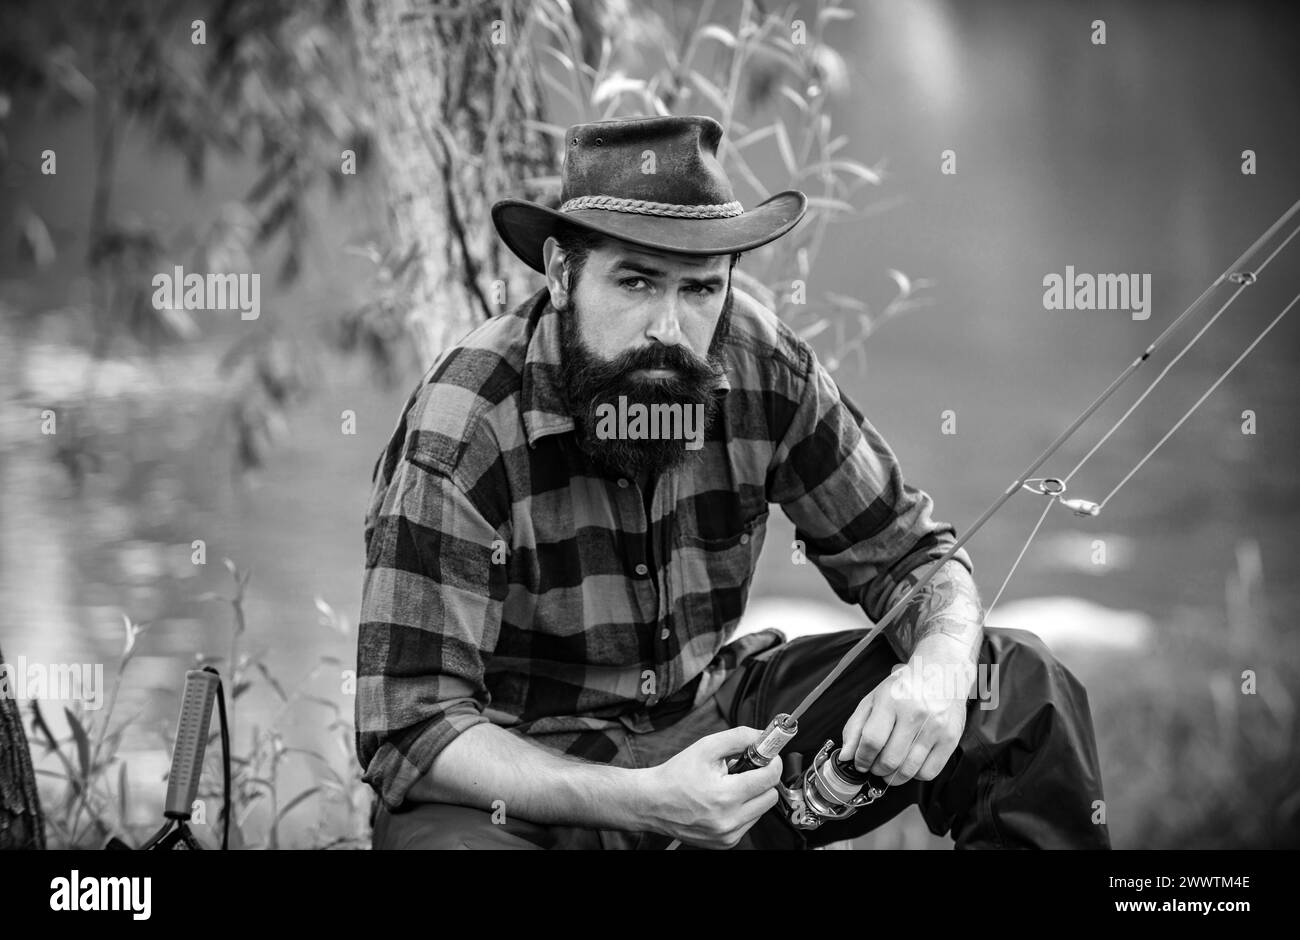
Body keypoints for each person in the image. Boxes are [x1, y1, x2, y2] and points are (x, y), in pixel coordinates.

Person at [355, 114, 1110, 850]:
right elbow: (411, 727)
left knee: (1013, 687)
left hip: (721, 740)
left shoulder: (761, 364)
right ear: (560, 272)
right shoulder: (468, 425)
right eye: (637, 281)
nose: (669, 328)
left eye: (699, 289)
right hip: (530, 788)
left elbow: (912, 559)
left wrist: (941, 669)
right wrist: (647, 803)